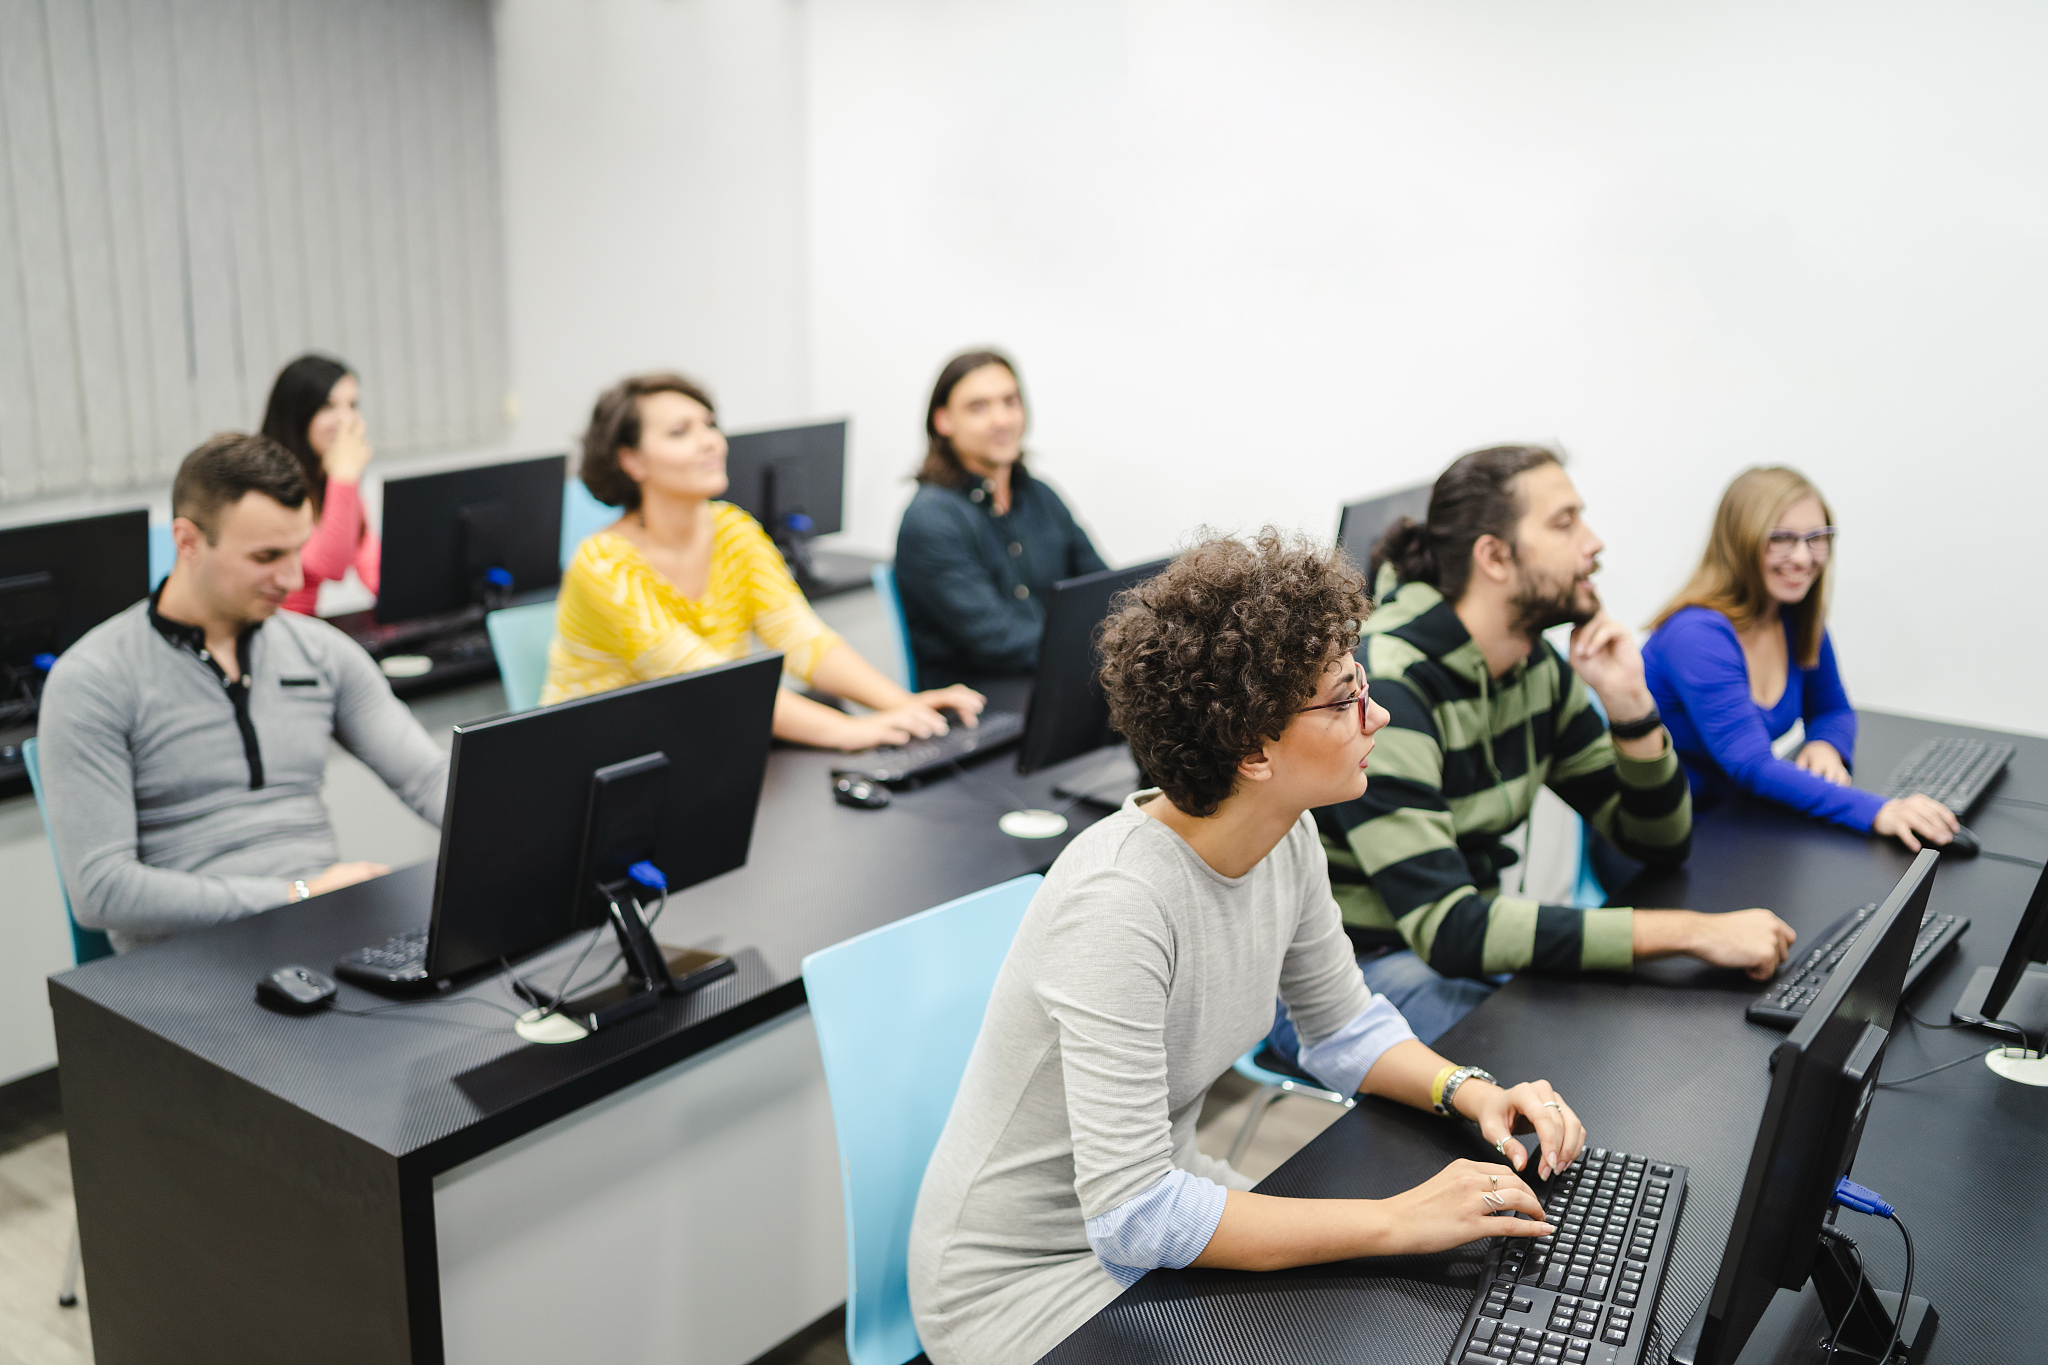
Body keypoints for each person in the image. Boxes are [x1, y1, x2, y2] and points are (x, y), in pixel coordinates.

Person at [909, 530, 1584, 1365]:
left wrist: (1468, 1090)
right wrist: (1395, 1219)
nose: (1376, 715)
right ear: (1253, 748)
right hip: (1023, 1283)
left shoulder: (1288, 835)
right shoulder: (1120, 902)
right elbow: (1133, 1214)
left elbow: (1342, 1030)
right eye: (1344, 700)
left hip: (1152, 1215)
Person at [1296, 446, 1797, 1046]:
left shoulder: (1533, 663)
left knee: (1635, 1028)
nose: (1594, 544)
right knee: (1563, 1053)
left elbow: (1656, 843)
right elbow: (1449, 927)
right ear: (1495, 557)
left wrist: (1632, 711)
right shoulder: (1391, 686)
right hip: (1353, 968)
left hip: (1454, 943)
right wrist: (1692, 932)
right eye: (1565, 523)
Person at [37, 434, 447, 953]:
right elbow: (101, 890)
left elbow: (427, 778)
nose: (293, 576)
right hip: (186, 963)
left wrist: (518, 833)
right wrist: (294, 894)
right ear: (187, 542)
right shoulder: (94, 680)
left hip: (320, 932)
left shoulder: (321, 652)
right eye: (266, 556)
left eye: (299, 549)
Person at [544, 372, 986, 749]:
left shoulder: (732, 529)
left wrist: (901, 703)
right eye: (681, 432)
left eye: (709, 425)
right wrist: (849, 731)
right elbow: (705, 678)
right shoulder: (602, 562)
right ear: (631, 460)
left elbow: (802, 638)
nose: (710, 442)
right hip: (601, 757)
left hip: (701, 739)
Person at [1642, 466, 1958, 850]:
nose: (1803, 557)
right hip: (1666, 839)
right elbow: (1752, 766)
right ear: (1738, 542)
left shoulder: (1793, 616)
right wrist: (1881, 812)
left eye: (1817, 538)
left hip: (1738, 817)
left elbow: (1833, 709)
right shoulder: (1696, 635)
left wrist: (1826, 744)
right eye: (1781, 539)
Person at [892, 350, 1107, 686]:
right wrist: (1101, 654)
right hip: (980, 698)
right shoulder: (931, 518)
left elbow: (1102, 589)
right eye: (979, 407)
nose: (1002, 420)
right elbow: (999, 641)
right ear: (943, 420)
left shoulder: (1040, 495)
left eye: (1010, 401)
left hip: (1053, 672)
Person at [259, 353, 380, 616]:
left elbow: (371, 566)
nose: (347, 420)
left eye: (353, 405)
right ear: (297, 415)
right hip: (267, 633)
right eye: (328, 407)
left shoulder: (332, 478)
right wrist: (344, 478)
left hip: (303, 630)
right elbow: (330, 566)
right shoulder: (265, 486)